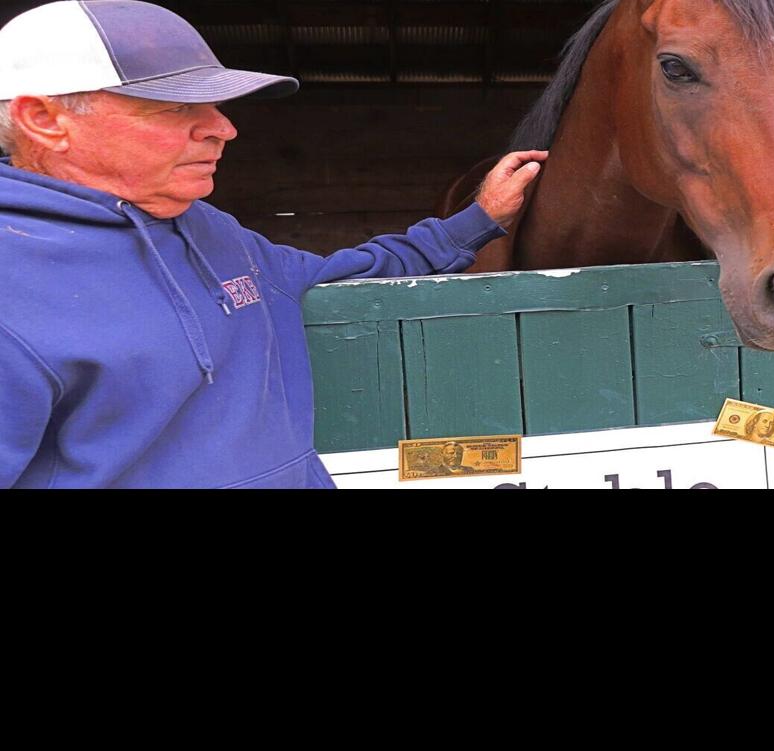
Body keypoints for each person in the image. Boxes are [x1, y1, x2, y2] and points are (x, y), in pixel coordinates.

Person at [0, 1, 547, 488]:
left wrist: (478, 219)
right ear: (44, 119)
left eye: (214, 106)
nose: (224, 129)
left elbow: (347, 275)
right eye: (177, 108)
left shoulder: (210, 230)